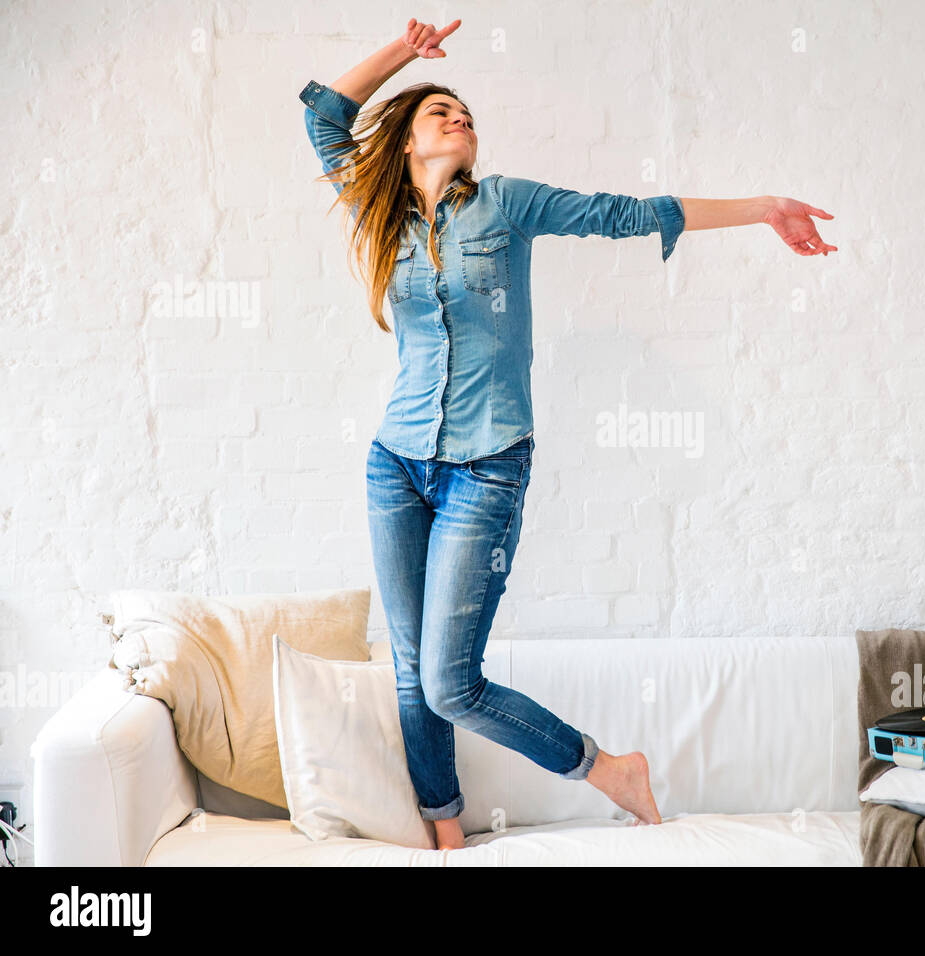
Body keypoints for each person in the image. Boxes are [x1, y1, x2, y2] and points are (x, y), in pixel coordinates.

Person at [299, 16, 837, 850]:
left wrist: (765, 207)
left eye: (465, 112)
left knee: (449, 682)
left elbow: (626, 213)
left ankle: (608, 770)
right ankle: (445, 834)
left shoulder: (506, 203)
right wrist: (408, 54)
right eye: (439, 112)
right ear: (405, 141)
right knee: (409, 672)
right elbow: (325, 115)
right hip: (394, 464)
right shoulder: (382, 213)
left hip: (486, 468)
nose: (459, 118)